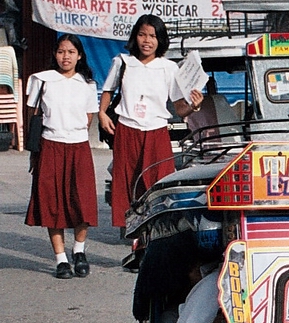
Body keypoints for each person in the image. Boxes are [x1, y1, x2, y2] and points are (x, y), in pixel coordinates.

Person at [99, 15, 201, 229]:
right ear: (135, 37)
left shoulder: (169, 68)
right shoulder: (122, 62)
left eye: (153, 36)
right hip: (127, 129)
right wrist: (102, 114)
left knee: (159, 182)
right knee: (128, 182)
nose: (147, 41)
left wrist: (194, 104)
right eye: (142, 35)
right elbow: (108, 90)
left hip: (156, 131)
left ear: (160, 40)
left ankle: (157, 230)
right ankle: (133, 235)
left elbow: (180, 106)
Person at [25, 34, 99, 279]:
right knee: (52, 203)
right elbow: (34, 115)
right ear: (54, 55)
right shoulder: (42, 80)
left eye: (70, 52)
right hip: (50, 145)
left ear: (79, 56)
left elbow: (88, 119)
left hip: (78, 146)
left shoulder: (87, 84)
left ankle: (79, 251)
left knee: (83, 200)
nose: (65, 57)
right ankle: (61, 260)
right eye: (60, 51)